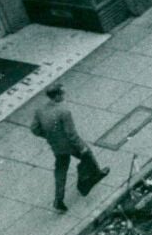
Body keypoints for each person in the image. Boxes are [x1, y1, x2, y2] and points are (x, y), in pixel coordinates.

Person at [32, 86, 106, 214]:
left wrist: (49, 136)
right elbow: (71, 134)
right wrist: (81, 147)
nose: (63, 96)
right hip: (70, 145)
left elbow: (34, 129)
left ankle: (58, 199)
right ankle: (93, 176)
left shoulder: (40, 110)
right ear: (56, 96)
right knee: (88, 155)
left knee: (61, 171)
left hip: (56, 146)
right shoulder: (64, 112)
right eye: (61, 94)